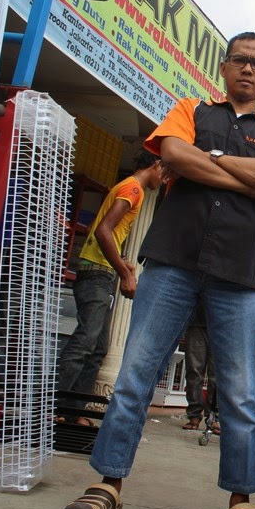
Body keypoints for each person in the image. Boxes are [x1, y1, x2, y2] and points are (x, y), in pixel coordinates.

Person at [62, 32, 255, 509]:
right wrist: (245, 179)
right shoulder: (191, 110)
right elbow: (172, 151)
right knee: (135, 375)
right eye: (239, 59)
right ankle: (108, 484)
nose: (247, 68)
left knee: (243, 394)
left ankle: (240, 501)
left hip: (242, 273)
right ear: (224, 67)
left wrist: (208, 160)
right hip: (173, 261)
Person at [56, 150, 164, 426]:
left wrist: (122, 262)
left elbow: (102, 232)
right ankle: (51, 407)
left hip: (100, 272)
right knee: (84, 343)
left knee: (97, 348)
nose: (164, 181)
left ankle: (72, 412)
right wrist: (124, 274)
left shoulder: (129, 188)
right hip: (96, 273)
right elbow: (103, 230)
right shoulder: (133, 189)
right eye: (166, 173)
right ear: (156, 164)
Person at [182, 304, 217, 433]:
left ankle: (213, 417)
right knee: (194, 371)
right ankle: (194, 415)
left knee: (217, 375)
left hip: (221, 324)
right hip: (196, 320)